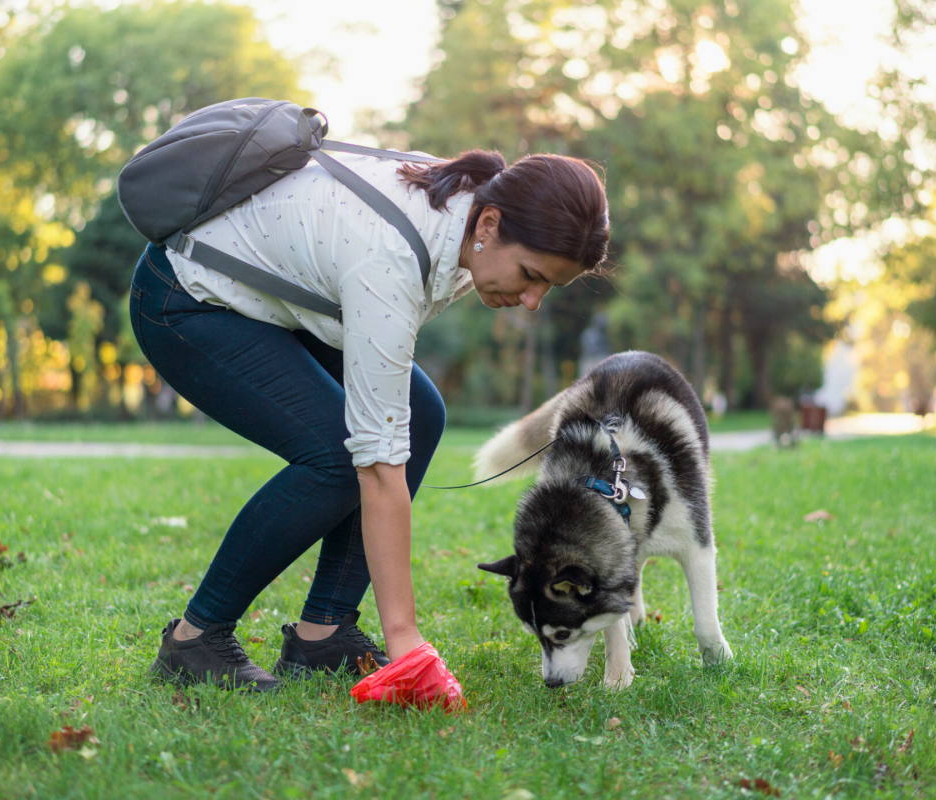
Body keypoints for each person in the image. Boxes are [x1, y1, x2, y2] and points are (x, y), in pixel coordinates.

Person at [130, 148, 610, 692]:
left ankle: (322, 634)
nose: (531, 301)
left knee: (421, 414)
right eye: (530, 275)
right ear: (492, 224)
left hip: (275, 302)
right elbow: (378, 467)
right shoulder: (392, 257)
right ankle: (194, 642)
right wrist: (404, 637)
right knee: (336, 457)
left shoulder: (466, 219)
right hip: (187, 299)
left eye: (548, 287)